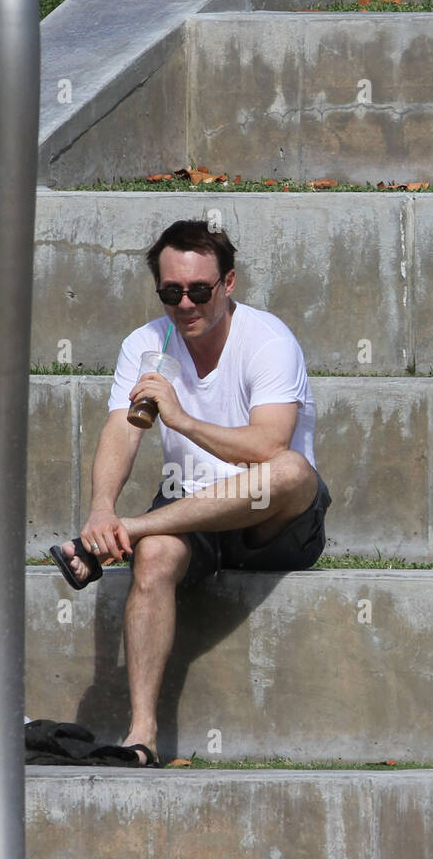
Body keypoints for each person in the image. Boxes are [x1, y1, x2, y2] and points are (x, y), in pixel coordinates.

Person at [51, 220, 330, 766]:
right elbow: (123, 429)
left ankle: (129, 532)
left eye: (199, 290)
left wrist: (179, 419)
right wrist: (102, 508)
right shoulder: (147, 344)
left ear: (228, 283)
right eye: (171, 291)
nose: (185, 304)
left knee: (293, 470)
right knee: (152, 559)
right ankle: (141, 736)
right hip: (191, 510)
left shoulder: (268, 340)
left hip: (269, 517)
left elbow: (267, 446)